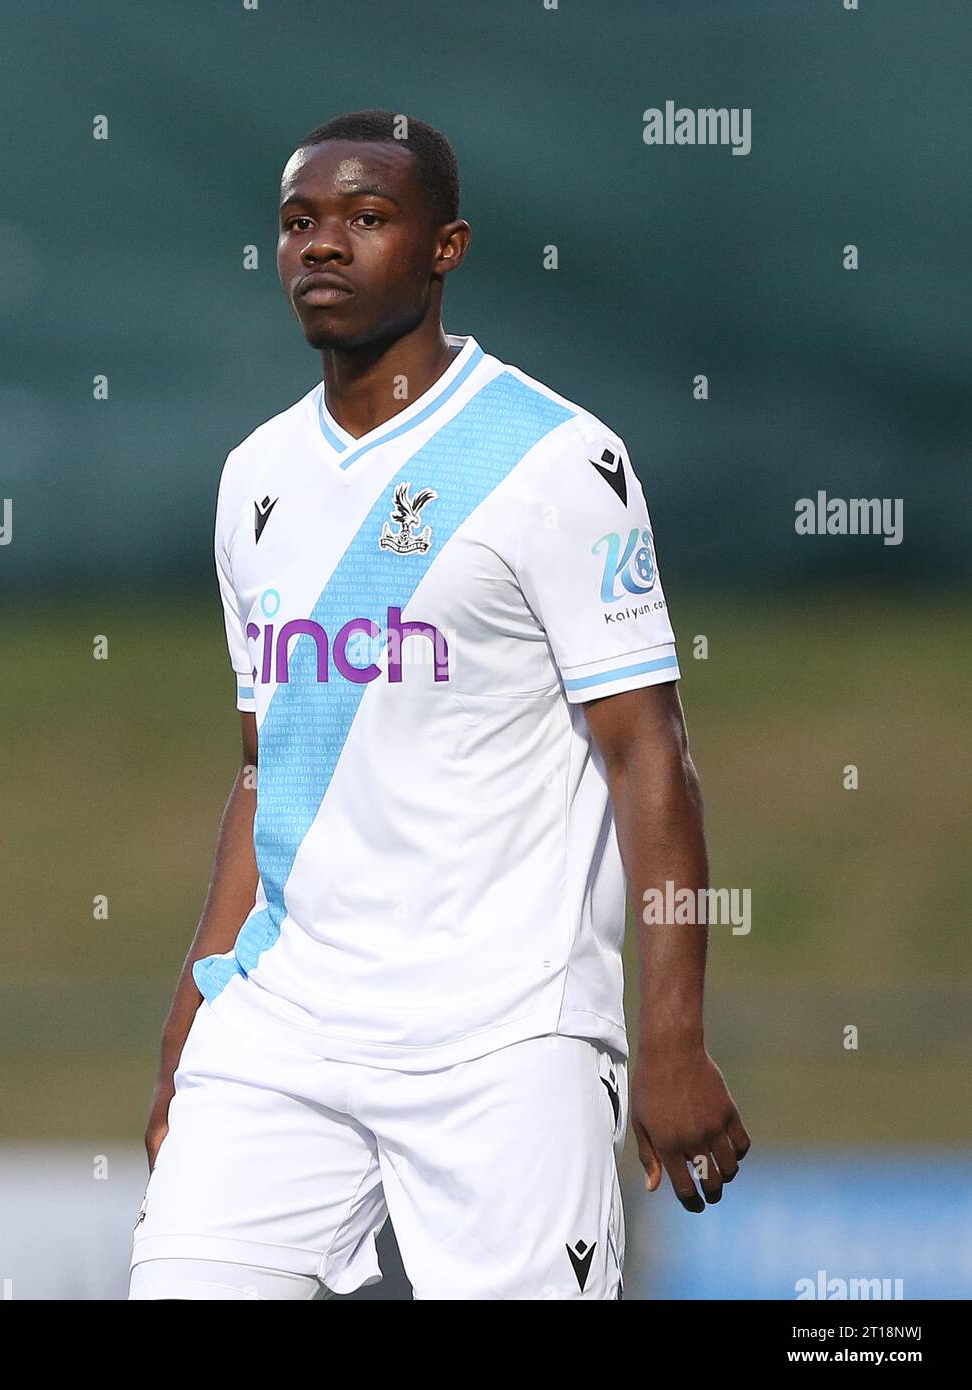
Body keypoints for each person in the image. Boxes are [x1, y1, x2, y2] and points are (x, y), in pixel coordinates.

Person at [128, 108, 749, 1301]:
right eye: (299, 221)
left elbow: (648, 762)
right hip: (285, 1025)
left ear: (443, 248)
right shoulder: (252, 477)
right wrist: (190, 1016)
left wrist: (671, 1037)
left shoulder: (553, 462)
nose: (322, 245)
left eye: (365, 219)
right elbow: (267, 773)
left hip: (503, 1037)